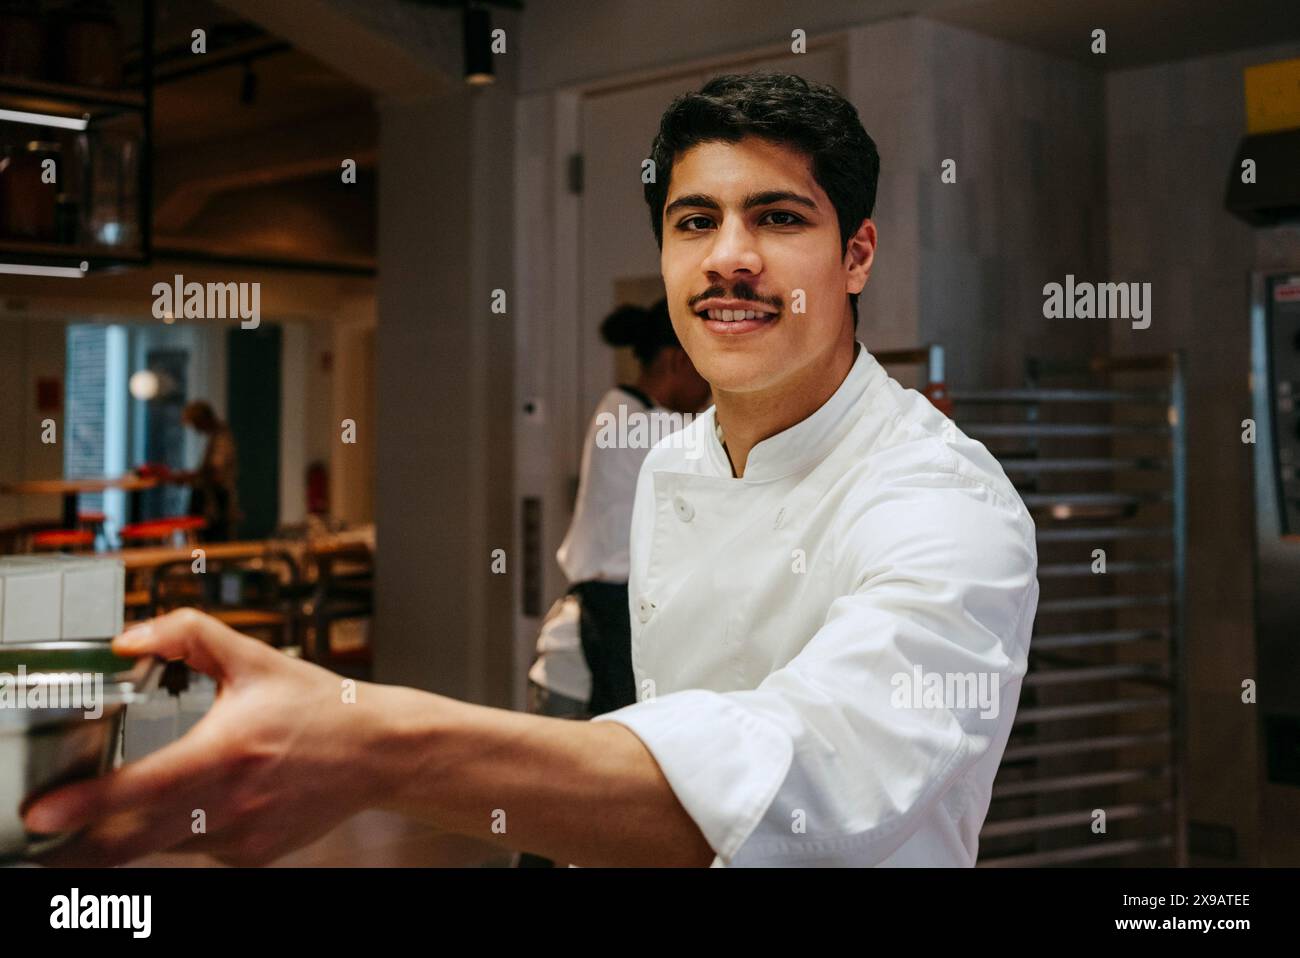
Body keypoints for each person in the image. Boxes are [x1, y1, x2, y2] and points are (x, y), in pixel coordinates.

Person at [22, 72, 1038, 868]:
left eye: (778, 218)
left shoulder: (946, 500)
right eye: (695, 221)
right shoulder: (673, 459)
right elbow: (653, 755)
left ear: (856, 255)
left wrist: (369, 743)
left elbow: (809, 781)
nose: (730, 258)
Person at [516, 297, 710, 867]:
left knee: (578, 807)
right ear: (676, 360)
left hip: (613, 624)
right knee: (566, 806)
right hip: (598, 630)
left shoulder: (645, 417)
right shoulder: (630, 419)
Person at [177, 400, 241, 542]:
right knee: (203, 541)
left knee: (211, 542)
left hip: (216, 501)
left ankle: (203, 565)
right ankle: (201, 564)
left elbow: (215, 473)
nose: (195, 429)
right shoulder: (215, 437)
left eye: (195, 424)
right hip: (212, 499)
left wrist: (190, 478)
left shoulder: (222, 439)